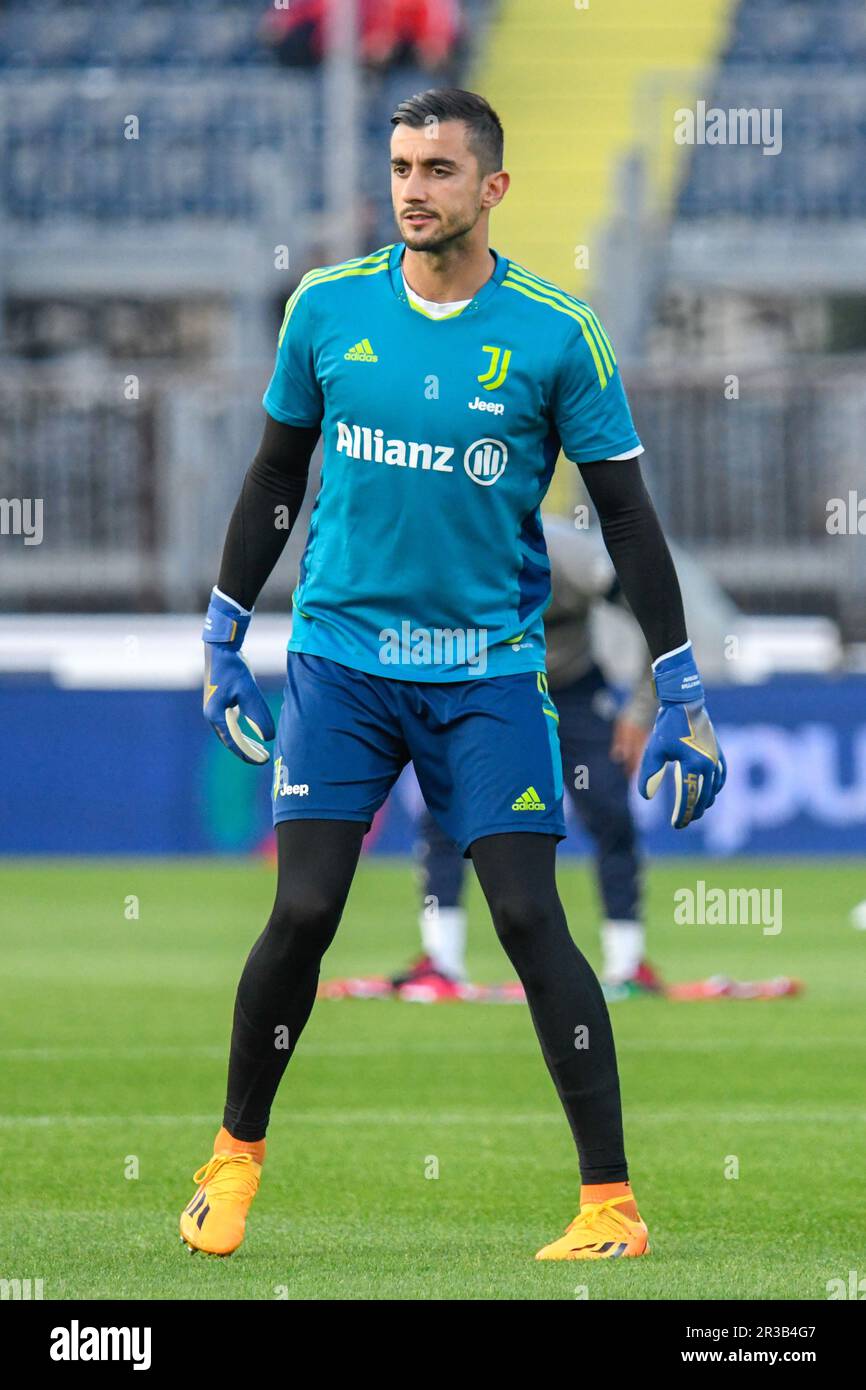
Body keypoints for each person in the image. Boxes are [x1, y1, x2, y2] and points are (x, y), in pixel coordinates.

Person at [180, 88, 726, 1263]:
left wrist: (679, 687)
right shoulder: (325, 310)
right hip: (340, 664)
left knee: (528, 914)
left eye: (436, 168)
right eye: (400, 166)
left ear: (492, 188)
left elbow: (626, 523)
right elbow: (278, 473)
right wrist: (223, 635)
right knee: (307, 908)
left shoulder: (554, 331)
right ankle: (230, 1163)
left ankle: (608, 1206)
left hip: (486, 672)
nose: (411, 188)